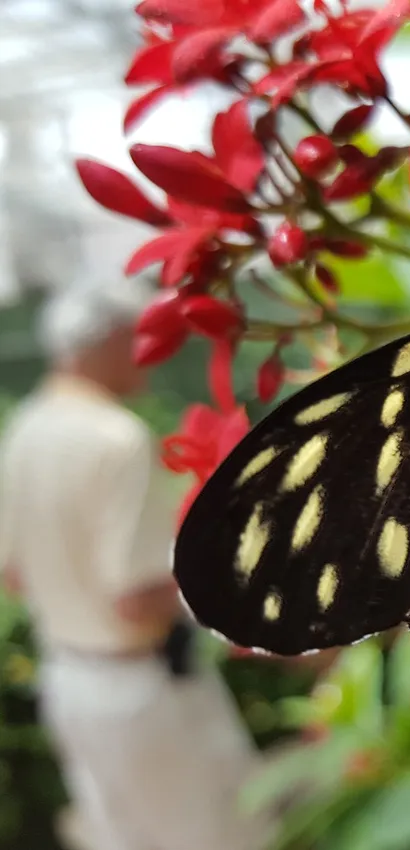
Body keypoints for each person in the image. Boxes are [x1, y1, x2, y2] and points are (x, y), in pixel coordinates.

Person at [0, 277, 275, 850]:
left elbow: (13, 574)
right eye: (139, 336)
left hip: (69, 681)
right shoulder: (115, 438)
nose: (152, 350)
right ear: (103, 343)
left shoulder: (25, 428)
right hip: (141, 694)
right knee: (213, 837)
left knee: (121, 836)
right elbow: (136, 599)